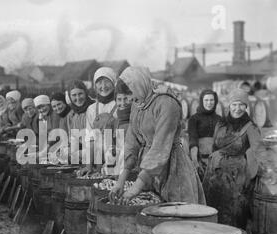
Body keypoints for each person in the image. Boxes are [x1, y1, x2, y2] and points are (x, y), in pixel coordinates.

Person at [109, 66, 206, 205]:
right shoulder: (138, 104)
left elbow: (160, 147)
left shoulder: (166, 104)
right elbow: (132, 142)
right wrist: (121, 181)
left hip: (171, 166)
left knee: (175, 212)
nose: (129, 100)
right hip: (147, 170)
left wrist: (136, 187)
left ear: (140, 84)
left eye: (131, 93)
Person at [202, 88, 262, 229]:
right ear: (229, 105)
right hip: (214, 176)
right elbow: (215, 147)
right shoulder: (221, 124)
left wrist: (250, 173)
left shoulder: (251, 127)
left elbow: (258, 151)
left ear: (246, 106)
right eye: (234, 104)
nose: (237, 108)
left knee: (233, 216)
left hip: (236, 180)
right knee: (212, 211)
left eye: (241, 104)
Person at [83, 67, 118, 174]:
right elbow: (90, 138)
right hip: (97, 158)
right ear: (95, 86)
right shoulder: (92, 109)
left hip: (117, 158)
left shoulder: (120, 105)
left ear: (114, 83)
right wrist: (88, 166)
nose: (103, 86)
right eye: (99, 82)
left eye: (107, 81)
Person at [188, 89, 222, 179]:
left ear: (215, 101)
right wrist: (195, 161)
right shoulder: (194, 119)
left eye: (211, 100)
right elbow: (193, 139)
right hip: (199, 157)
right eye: (206, 100)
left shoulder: (220, 119)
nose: (209, 103)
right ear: (201, 101)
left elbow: (222, 140)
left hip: (216, 158)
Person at [65, 80, 94, 163]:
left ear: (86, 93)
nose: (78, 98)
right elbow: (74, 139)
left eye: (80, 94)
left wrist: (78, 154)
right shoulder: (72, 115)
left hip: (96, 153)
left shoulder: (93, 109)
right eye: (74, 95)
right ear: (70, 97)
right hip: (83, 157)